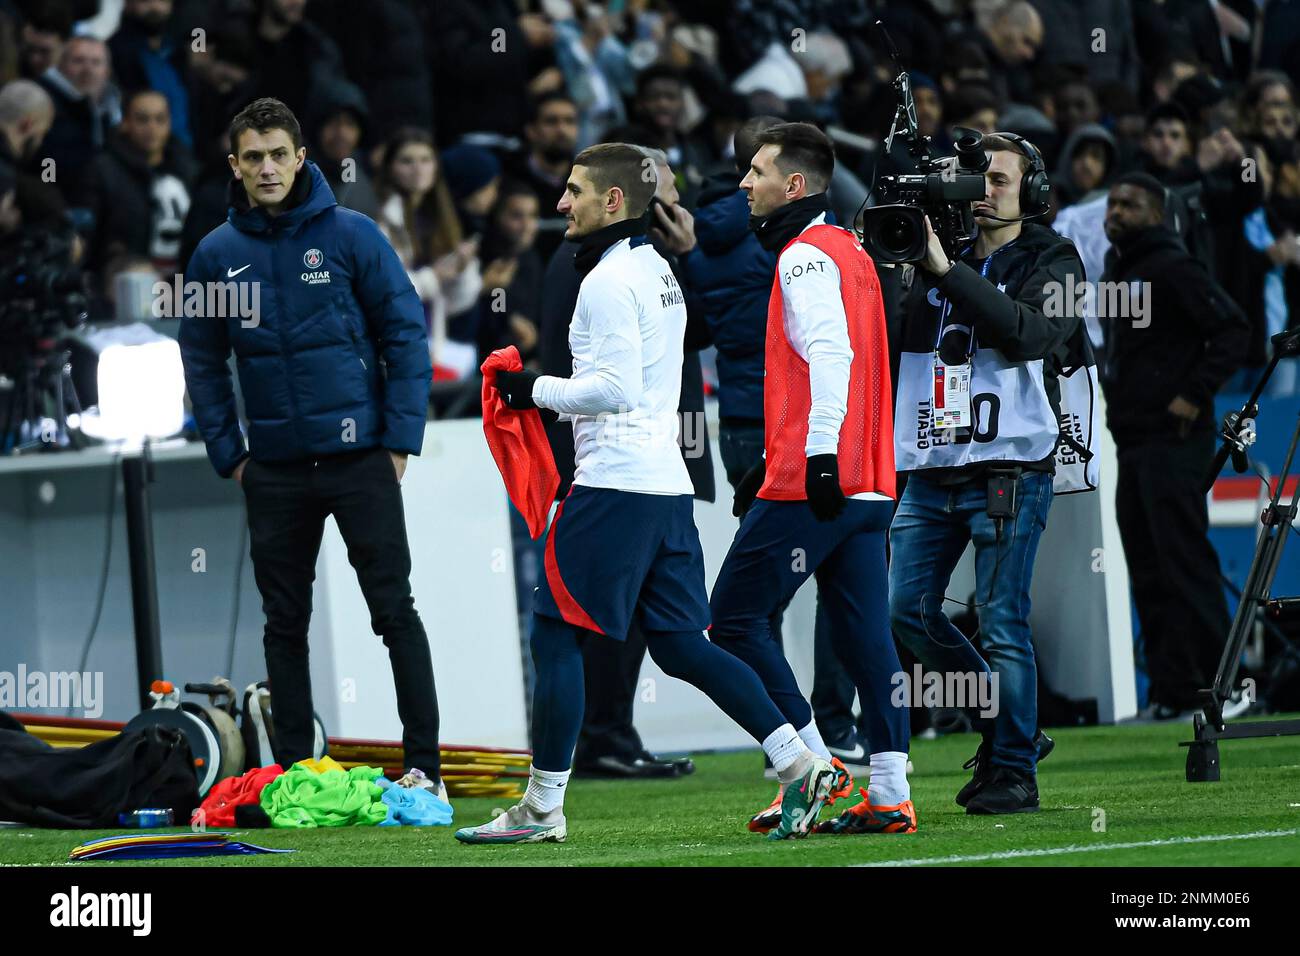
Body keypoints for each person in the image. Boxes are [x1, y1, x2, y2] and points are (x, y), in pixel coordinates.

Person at [455, 142, 844, 845]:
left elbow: (613, 390)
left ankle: (542, 807)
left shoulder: (605, 281)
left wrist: (528, 389)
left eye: (572, 190)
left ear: (611, 201)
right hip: (663, 487)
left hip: (614, 487)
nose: (559, 204)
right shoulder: (656, 268)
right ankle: (797, 760)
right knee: (679, 644)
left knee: (554, 634)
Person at [177, 98, 444, 800]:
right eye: (252, 157)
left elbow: (406, 334)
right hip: (274, 470)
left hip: (361, 461)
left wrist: (398, 441)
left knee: (394, 612)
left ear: (301, 158)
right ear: (233, 166)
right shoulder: (214, 256)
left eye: (277, 154)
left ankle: (426, 770)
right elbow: (200, 361)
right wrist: (230, 454)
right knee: (284, 624)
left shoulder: (355, 234)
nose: (266, 168)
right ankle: (296, 775)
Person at [705, 122, 914, 836]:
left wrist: (814, 456)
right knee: (865, 636)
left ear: (793, 185)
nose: (743, 183)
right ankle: (889, 792)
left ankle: (812, 767)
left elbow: (831, 355)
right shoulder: (852, 251)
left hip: (817, 483)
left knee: (731, 619)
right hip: (871, 482)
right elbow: (847, 360)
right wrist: (781, 453)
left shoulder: (801, 258)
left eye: (756, 171)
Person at [890, 133, 1080, 814]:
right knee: (906, 614)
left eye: (999, 180)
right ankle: (1010, 730)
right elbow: (887, 345)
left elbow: (1028, 333)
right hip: (931, 464)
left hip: (1009, 467)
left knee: (1001, 619)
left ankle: (1014, 773)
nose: (984, 193)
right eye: (976, 181)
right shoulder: (933, 255)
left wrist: (944, 271)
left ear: (1032, 191)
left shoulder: (1054, 258)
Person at [1099, 172, 1249, 719]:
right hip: (1134, 440)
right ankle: (1172, 691)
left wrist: (1192, 394)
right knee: (1148, 564)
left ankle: (1221, 688)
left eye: (1130, 203)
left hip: (1173, 439)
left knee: (1184, 561)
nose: (1116, 210)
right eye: (1113, 203)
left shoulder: (1172, 266)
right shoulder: (1122, 268)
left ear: (1158, 214)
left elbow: (1234, 329)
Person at [81, 88, 196, 285]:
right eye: (142, 119)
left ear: (169, 124)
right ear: (125, 123)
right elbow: (91, 234)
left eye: (160, 119)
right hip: (124, 283)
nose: (152, 128)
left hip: (184, 286)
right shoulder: (102, 170)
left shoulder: (189, 170)